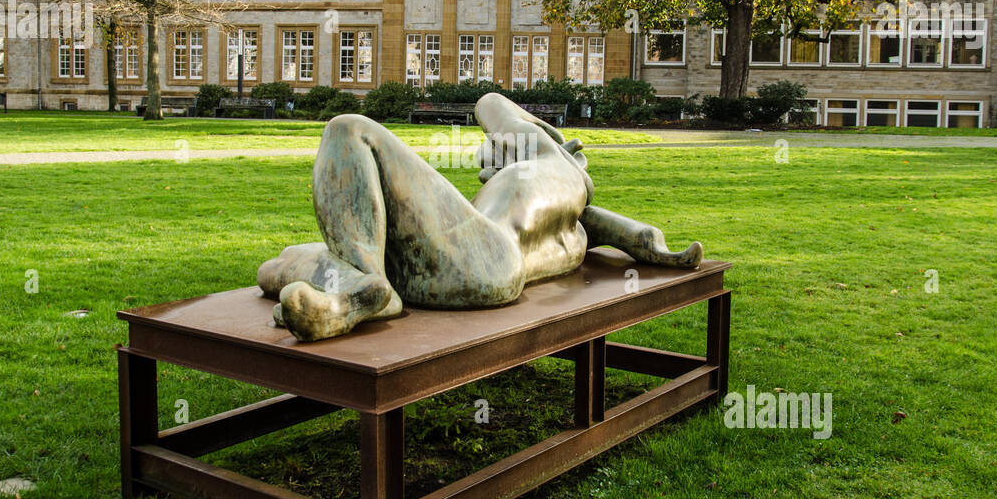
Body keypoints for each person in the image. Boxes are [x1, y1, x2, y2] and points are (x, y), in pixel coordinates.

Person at [258, 92, 702, 341]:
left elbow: (491, 103)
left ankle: (365, 287)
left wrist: (546, 134)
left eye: (493, 149)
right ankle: (354, 290)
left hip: (486, 257)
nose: (483, 156)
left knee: (347, 128)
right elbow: (626, 233)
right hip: (464, 268)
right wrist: (656, 247)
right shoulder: (569, 220)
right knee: (275, 266)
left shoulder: (549, 159)